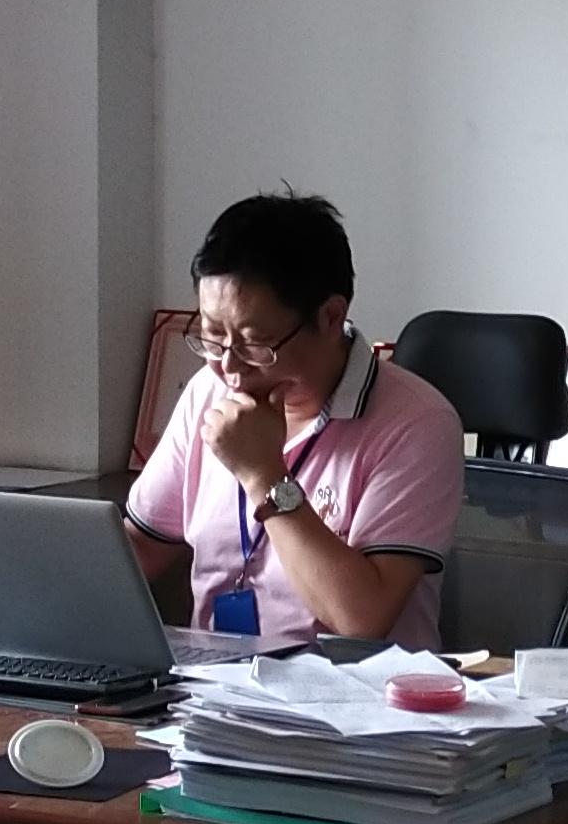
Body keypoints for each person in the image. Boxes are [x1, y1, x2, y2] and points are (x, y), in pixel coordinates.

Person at [124, 190, 463, 650]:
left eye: (254, 343)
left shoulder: (418, 423)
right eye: (211, 335)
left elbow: (360, 619)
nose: (229, 368)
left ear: (330, 316)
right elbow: (141, 548)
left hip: (351, 690)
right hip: (212, 684)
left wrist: (264, 476)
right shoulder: (208, 391)